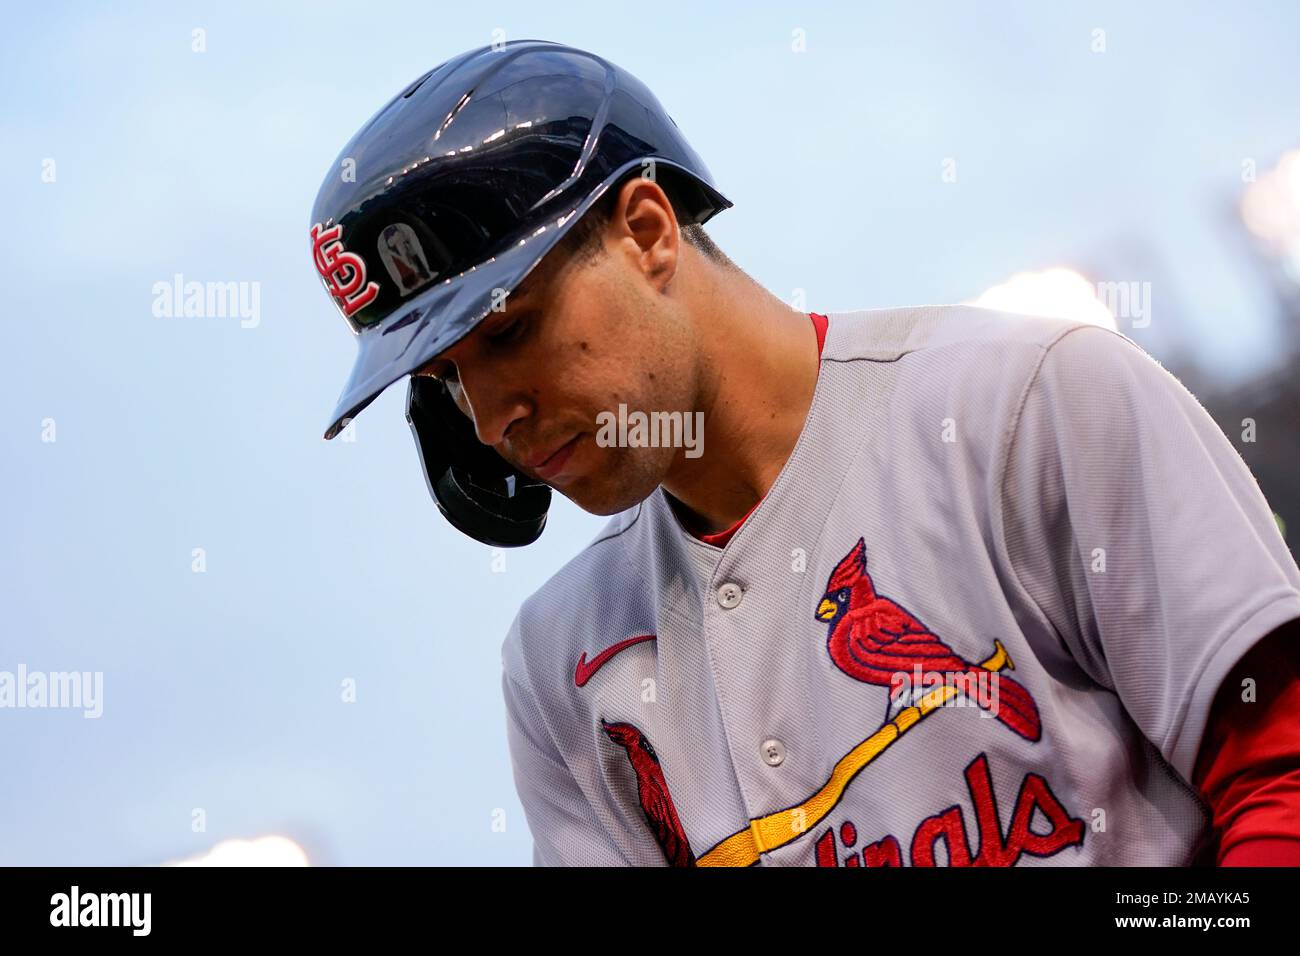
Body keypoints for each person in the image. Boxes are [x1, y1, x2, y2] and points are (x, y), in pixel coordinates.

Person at [312, 40, 1300, 866]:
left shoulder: (1025, 403)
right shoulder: (556, 664)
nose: (488, 418)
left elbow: (1280, 770)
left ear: (647, 230)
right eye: (444, 377)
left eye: (506, 330)